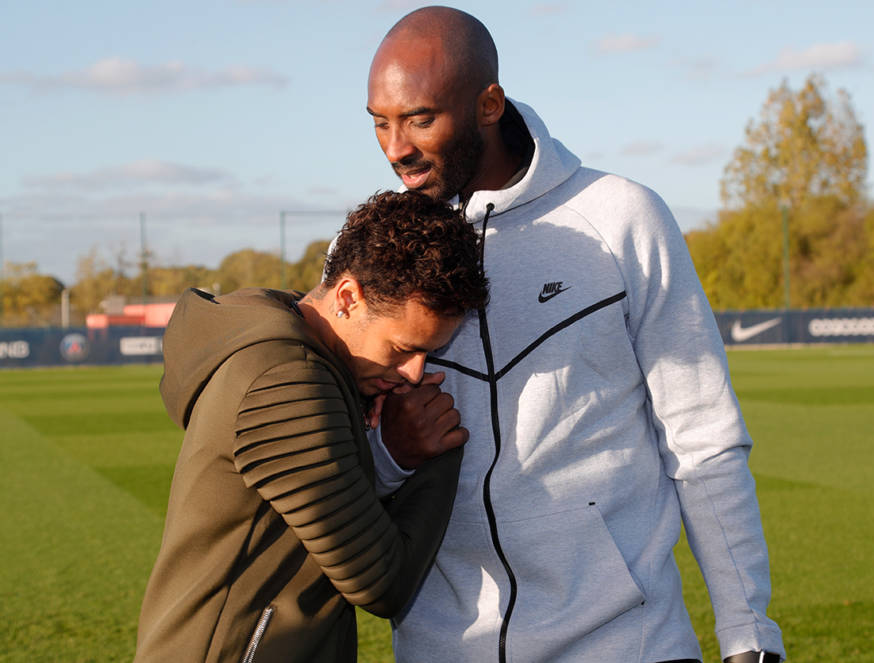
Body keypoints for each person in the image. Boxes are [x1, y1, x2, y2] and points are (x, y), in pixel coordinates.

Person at [364, 7, 785, 663]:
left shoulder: (621, 218)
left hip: (629, 642)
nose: (396, 147)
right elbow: (338, 461)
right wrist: (391, 450)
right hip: (441, 648)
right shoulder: (369, 250)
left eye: (419, 118)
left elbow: (702, 435)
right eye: (380, 123)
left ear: (488, 104)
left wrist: (748, 631)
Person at [133, 190, 489, 663]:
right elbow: (382, 582)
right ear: (347, 297)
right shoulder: (285, 382)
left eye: (429, 354)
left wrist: (382, 446)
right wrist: (436, 454)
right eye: (403, 349)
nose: (415, 373)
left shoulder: (279, 343)